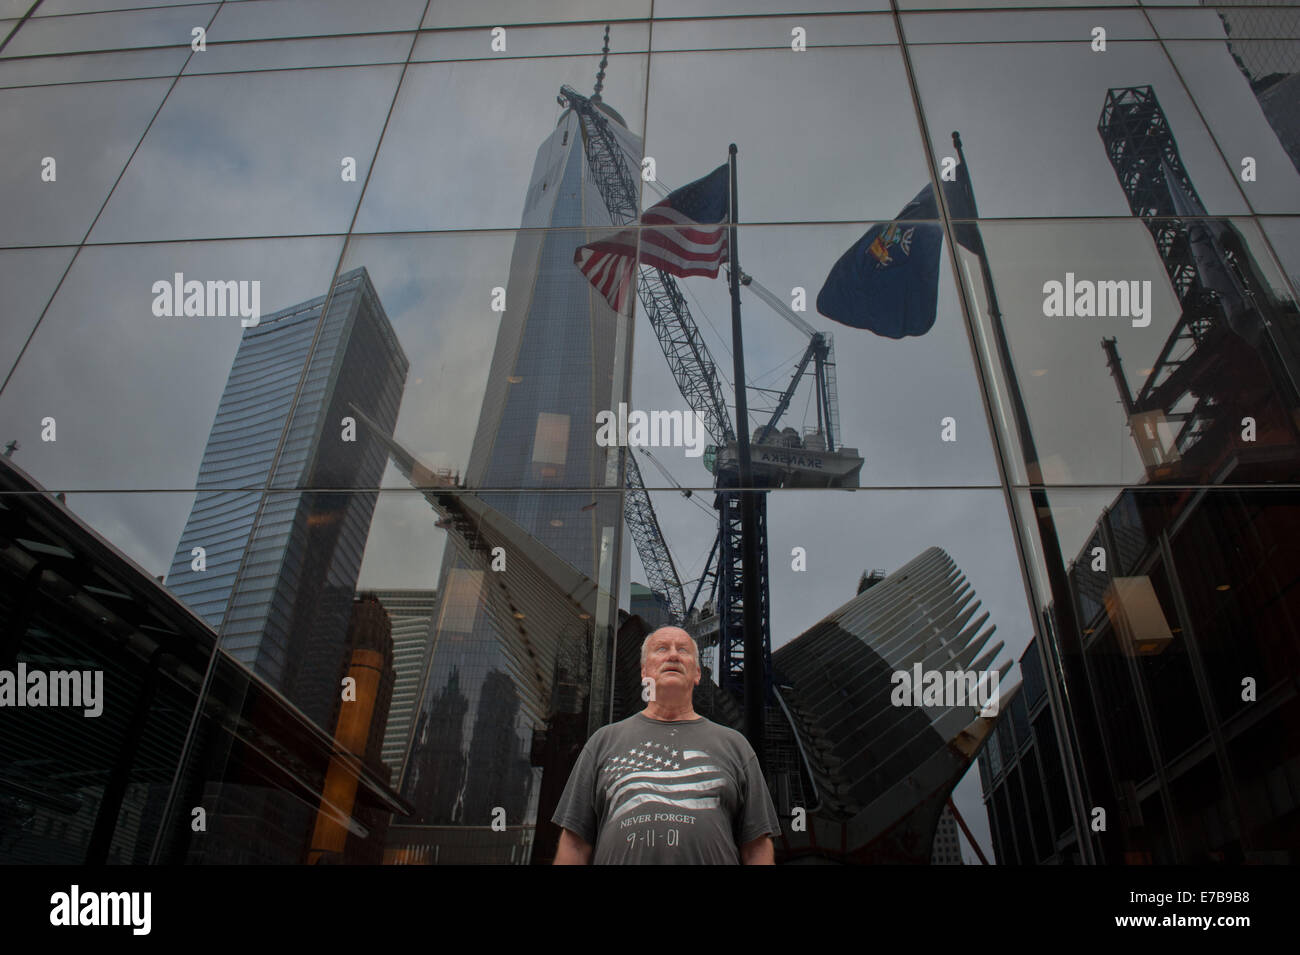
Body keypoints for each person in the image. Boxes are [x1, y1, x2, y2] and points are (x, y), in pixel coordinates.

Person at [551, 626, 780, 864]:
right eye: (661, 649)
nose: (673, 655)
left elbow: (756, 848)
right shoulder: (603, 741)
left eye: (683, 650)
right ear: (644, 671)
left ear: (698, 673)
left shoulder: (735, 746)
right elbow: (574, 844)